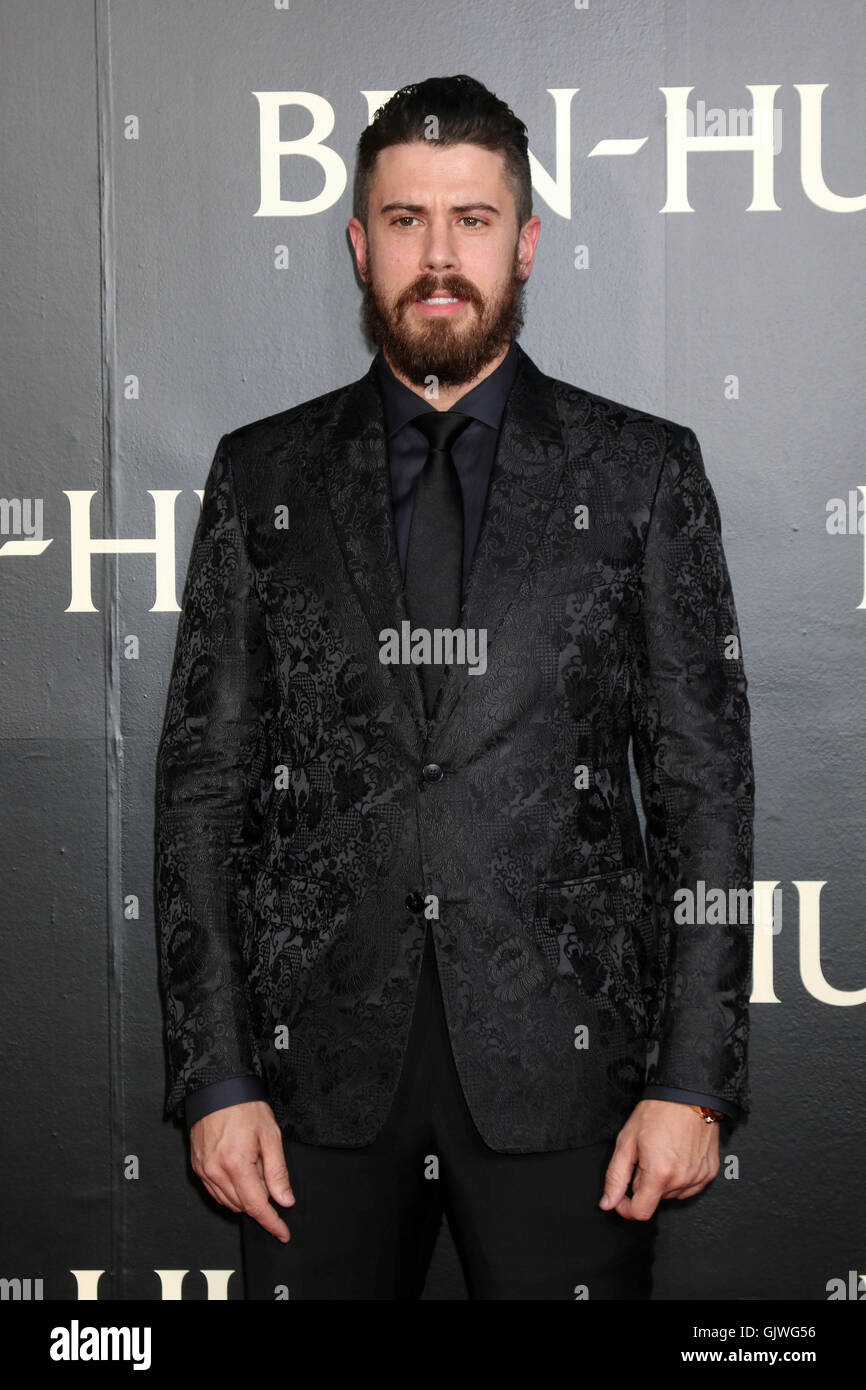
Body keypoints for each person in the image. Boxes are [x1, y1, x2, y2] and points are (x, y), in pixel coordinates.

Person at [154, 74, 754, 1301]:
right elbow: (204, 793)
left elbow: (702, 791)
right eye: (407, 219)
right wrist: (216, 1076)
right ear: (357, 244)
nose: (439, 256)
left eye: (472, 220)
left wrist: (689, 1077)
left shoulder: (640, 472)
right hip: (308, 1093)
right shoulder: (259, 473)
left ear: (524, 243)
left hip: (567, 1084)